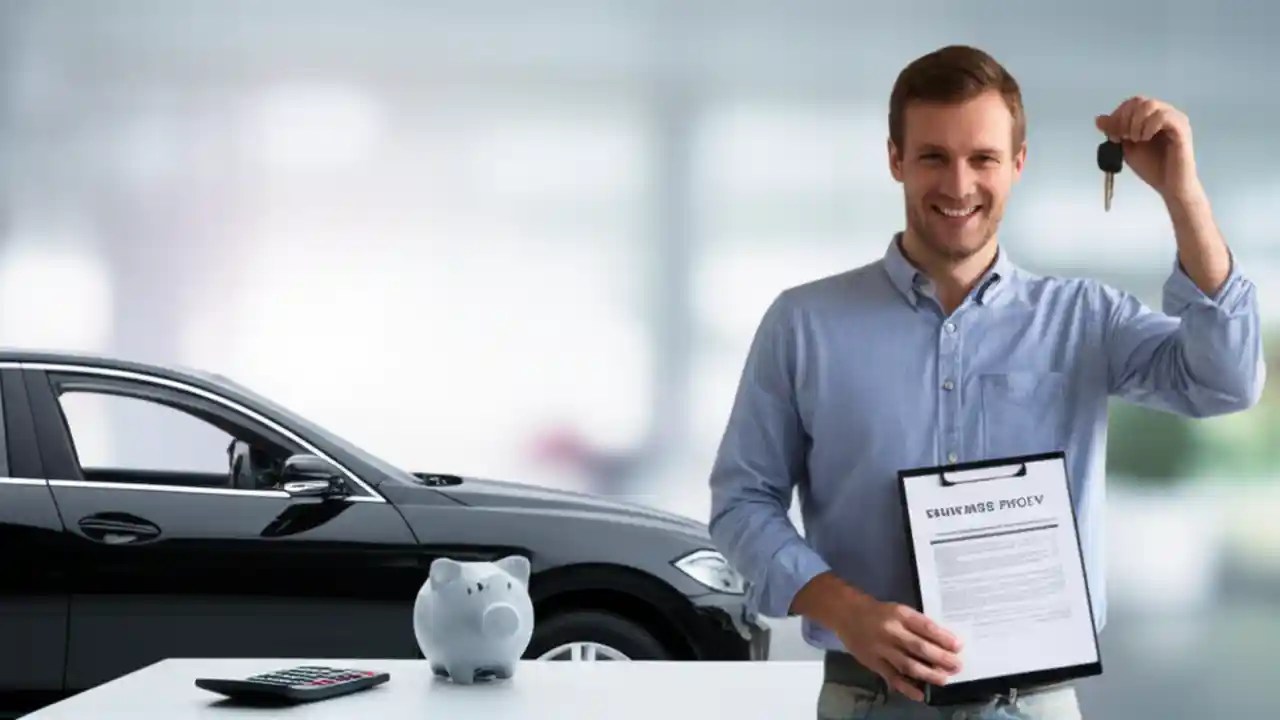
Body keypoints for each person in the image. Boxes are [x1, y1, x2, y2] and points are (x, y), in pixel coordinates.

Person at [706, 44, 1265, 720]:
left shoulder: (1084, 319)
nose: (959, 185)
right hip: (867, 700)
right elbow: (743, 500)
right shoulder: (804, 324)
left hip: (1034, 704)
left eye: (983, 159)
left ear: (1018, 164)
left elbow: (1226, 381)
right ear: (895, 159)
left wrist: (1183, 194)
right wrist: (842, 608)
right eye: (934, 157)